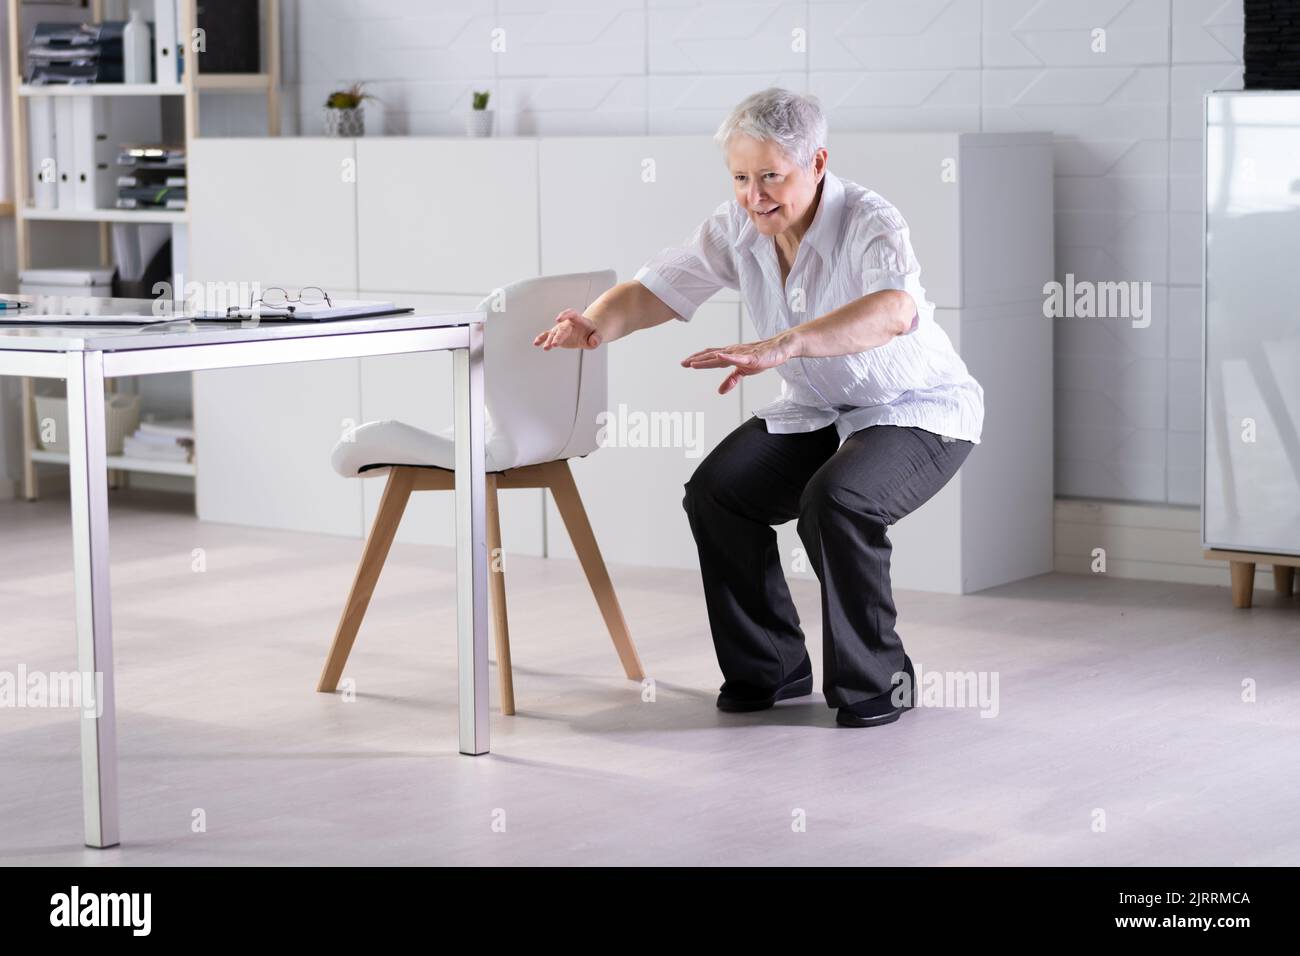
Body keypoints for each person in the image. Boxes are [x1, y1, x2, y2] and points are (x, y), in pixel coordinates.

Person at [533, 88, 984, 728]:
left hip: (916, 410)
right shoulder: (738, 227)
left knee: (837, 502)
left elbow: (894, 311)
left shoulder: (871, 221)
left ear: (818, 161)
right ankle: (770, 666)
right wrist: (597, 323)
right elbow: (654, 289)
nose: (754, 195)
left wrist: (787, 343)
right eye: (741, 178)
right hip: (819, 410)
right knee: (717, 494)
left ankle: (879, 681)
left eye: (771, 176)